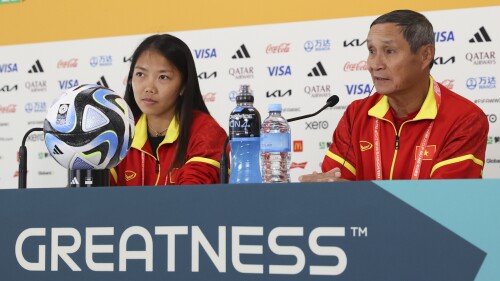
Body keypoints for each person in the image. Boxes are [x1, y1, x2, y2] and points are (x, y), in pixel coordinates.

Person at [300, 9, 488, 182]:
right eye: (372, 51)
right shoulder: (356, 114)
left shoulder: (464, 118)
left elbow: (444, 203)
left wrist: (354, 196)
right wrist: (322, 189)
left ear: (425, 55)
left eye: (389, 51)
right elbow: (334, 188)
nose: (375, 64)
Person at [111, 34, 227, 186]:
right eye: (140, 74)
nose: (149, 88)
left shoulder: (206, 132)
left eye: (163, 77)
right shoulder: (118, 135)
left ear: (183, 86)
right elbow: (94, 196)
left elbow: (191, 197)